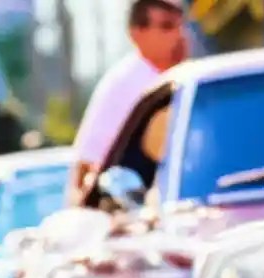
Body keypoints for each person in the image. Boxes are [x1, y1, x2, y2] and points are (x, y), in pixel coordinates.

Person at [69, 0, 188, 202]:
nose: (178, 35)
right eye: (167, 26)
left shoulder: (188, 80)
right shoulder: (125, 84)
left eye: (180, 26)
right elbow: (88, 165)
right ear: (137, 33)